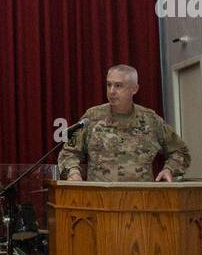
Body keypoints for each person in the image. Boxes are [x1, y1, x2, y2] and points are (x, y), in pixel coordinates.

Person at [58, 65, 191, 182]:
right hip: (100, 201)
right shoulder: (92, 117)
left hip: (141, 201)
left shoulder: (151, 120)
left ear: (134, 89)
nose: (111, 91)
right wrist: (73, 173)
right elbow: (68, 152)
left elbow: (180, 151)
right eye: (108, 85)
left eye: (118, 86)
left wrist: (169, 170)